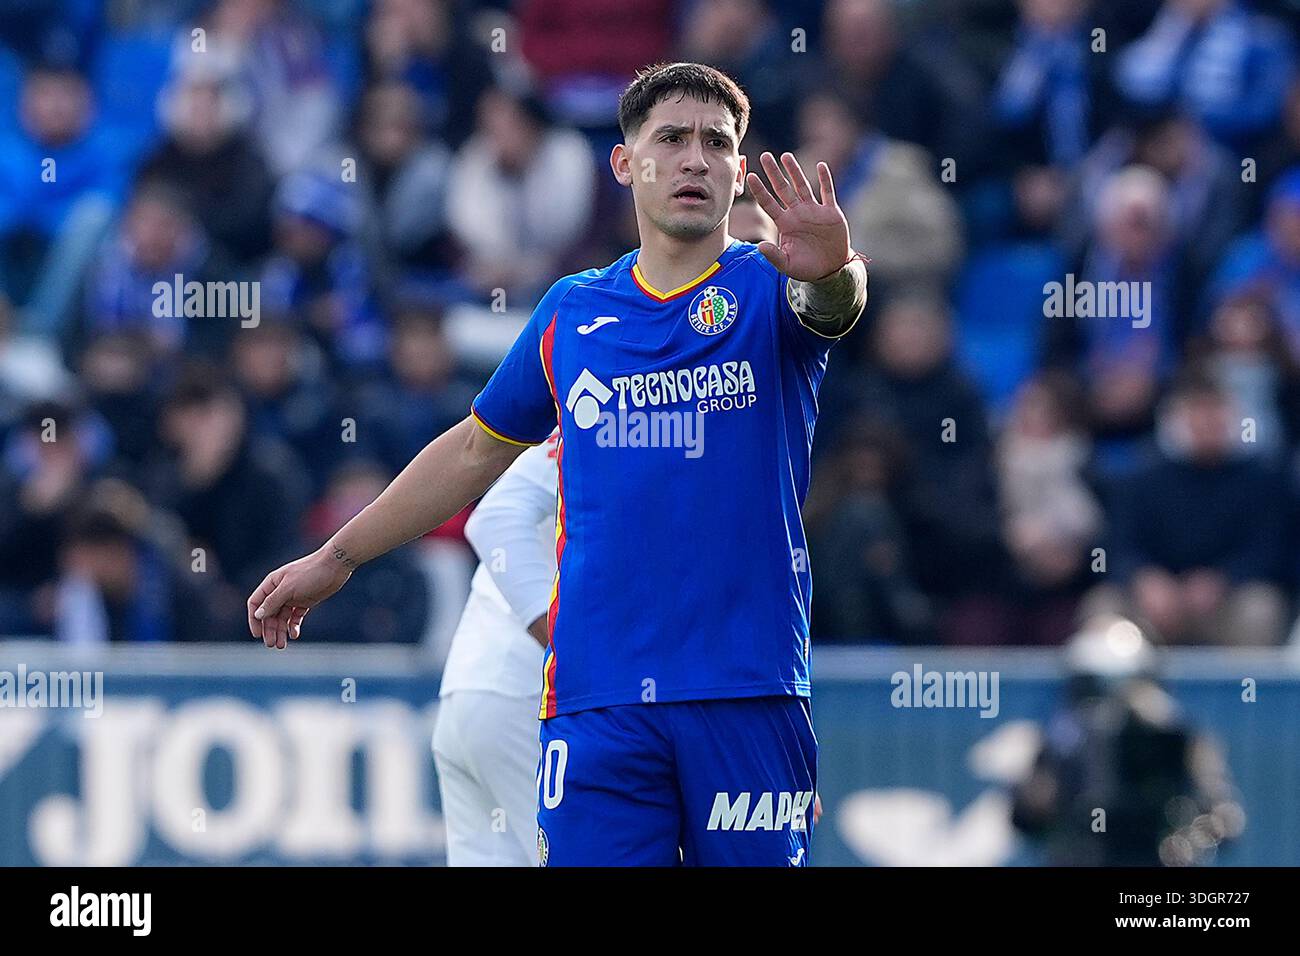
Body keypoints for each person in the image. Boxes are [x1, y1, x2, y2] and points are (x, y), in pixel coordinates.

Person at [246, 62, 868, 867]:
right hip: (595, 700)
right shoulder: (573, 313)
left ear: (739, 171)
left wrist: (832, 271)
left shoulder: (767, 287)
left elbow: (834, 308)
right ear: (623, 164)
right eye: (671, 139)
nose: (694, 160)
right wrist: (338, 555)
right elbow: (472, 451)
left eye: (717, 144)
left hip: (745, 690)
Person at [434, 435, 557, 866]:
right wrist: (564, 650)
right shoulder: (622, 417)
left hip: (475, 688)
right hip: (528, 695)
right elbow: (496, 518)